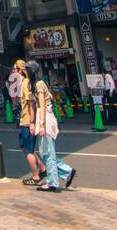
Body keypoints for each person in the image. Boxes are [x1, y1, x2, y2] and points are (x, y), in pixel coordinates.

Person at [30, 61, 75, 192]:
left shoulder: (38, 84)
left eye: (27, 70)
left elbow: (42, 105)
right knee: (46, 152)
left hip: (46, 120)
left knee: (47, 153)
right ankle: (67, 172)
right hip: (45, 118)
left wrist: (42, 125)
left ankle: (52, 182)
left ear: (31, 71)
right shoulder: (38, 83)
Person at [16, 58, 45, 186]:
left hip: (28, 121)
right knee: (30, 149)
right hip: (26, 120)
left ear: (21, 70)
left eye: (14, 68)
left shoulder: (27, 82)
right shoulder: (25, 81)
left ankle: (35, 176)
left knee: (28, 150)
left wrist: (32, 122)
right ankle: (43, 168)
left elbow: (31, 103)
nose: (13, 71)